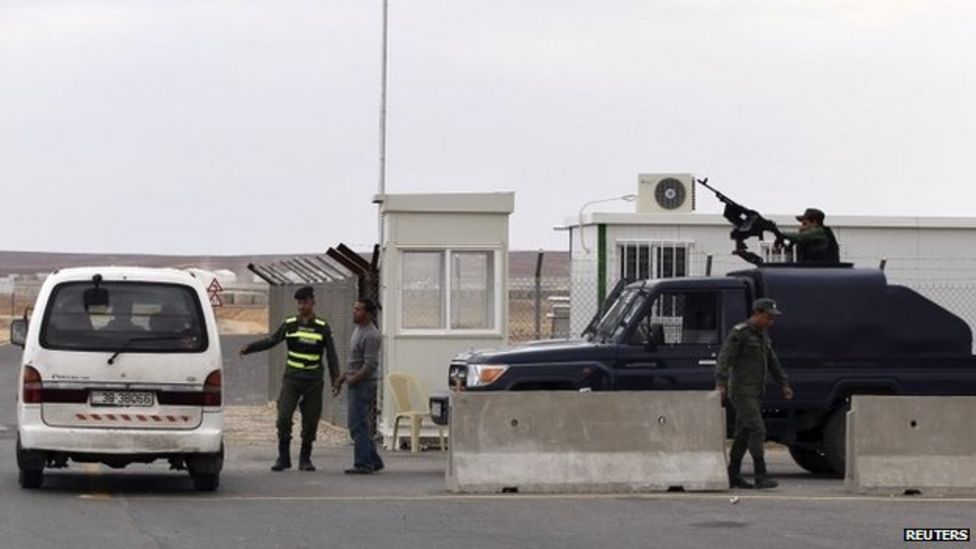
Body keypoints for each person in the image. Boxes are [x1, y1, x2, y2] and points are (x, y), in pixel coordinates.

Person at [239, 286, 339, 472]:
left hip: (313, 380)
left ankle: (305, 458)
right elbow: (272, 340)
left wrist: (336, 380)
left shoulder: (322, 327)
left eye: (305, 302)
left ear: (313, 303)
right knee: (283, 417)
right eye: (299, 303)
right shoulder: (290, 324)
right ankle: (283, 457)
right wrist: (250, 348)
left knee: (310, 421)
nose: (301, 306)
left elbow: (331, 355)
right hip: (292, 379)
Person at [715, 298, 794, 489]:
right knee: (757, 429)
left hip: (756, 391)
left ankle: (733, 473)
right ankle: (761, 474)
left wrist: (783, 384)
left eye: (772, 319)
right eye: (768, 317)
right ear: (757, 313)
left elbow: (772, 361)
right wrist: (721, 383)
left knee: (744, 432)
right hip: (741, 391)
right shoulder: (740, 333)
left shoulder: (762, 335)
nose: (770, 322)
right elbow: (725, 358)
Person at [332, 298, 384, 474]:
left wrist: (353, 379)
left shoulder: (371, 335)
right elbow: (354, 361)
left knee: (357, 424)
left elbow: (370, 365)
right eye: (354, 309)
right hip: (355, 382)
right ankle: (373, 460)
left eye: (359, 310)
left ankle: (363, 463)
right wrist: (342, 378)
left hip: (363, 385)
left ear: (368, 314)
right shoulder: (358, 330)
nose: (354, 312)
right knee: (358, 423)